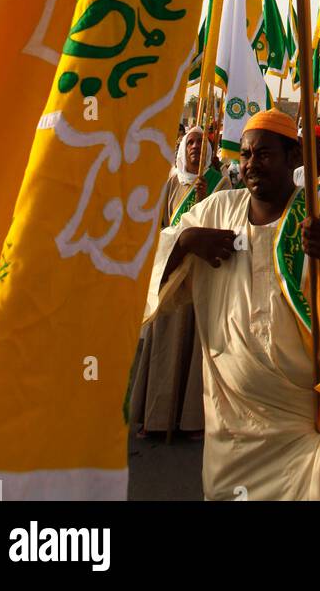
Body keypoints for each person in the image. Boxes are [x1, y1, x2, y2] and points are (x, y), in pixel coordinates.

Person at [143, 108, 320, 500]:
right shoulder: (217, 210)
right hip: (233, 427)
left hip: (306, 425)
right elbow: (153, 254)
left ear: (294, 158)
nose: (252, 164)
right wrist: (187, 244)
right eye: (246, 155)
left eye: (264, 154)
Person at [131, 126, 230, 438]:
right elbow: (158, 228)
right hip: (171, 274)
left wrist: (206, 200)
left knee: (195, 349)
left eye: (202, 143)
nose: (196, 147)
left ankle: (190, 421)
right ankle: (156, 417)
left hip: (200, 275)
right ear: (182, 148)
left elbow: (226, 226)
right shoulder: (169, 183)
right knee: (164, 345)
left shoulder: (221, 183)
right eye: (191, 141)